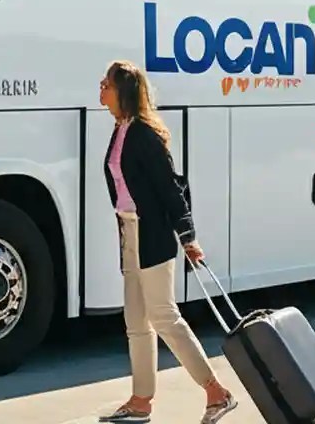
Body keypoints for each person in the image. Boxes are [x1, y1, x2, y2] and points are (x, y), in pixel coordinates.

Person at [97, 60, 238, 424]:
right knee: (136, 321)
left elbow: (170, 188)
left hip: (153, 235)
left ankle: (216, 392)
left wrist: (188, 236)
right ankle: (140, 400)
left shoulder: (144, 134)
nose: (101, 89)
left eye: (106, 84)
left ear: (122, 91)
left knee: (163, 316)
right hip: (129, 233)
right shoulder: (121, 129)